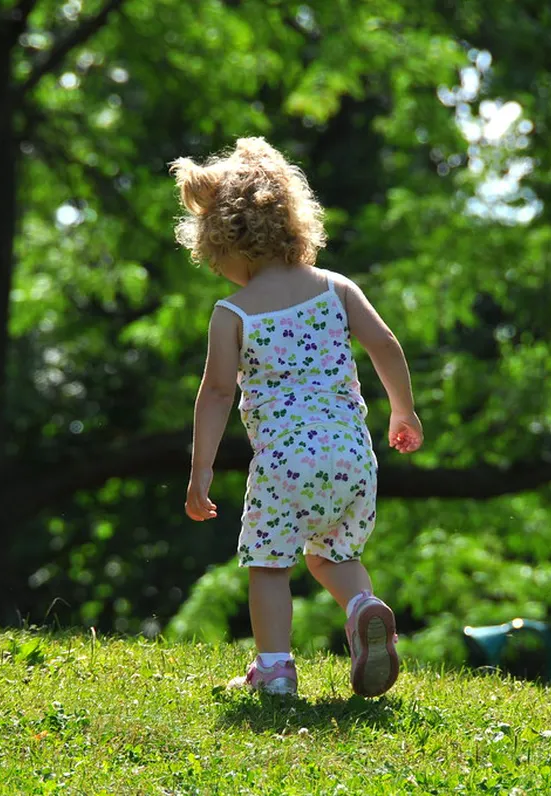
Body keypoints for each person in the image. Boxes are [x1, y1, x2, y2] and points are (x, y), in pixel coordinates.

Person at [172, 137, 423, 698]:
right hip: (354, 456)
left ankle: (275, 670)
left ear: (226, 243)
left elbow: (214, 394)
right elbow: (383, 343)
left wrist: (201, 472)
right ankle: (361, 607)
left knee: (269, 565)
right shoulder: (336, 287)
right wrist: (402, 409)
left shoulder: (233, 313)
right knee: (336, 553)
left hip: (286, 463)